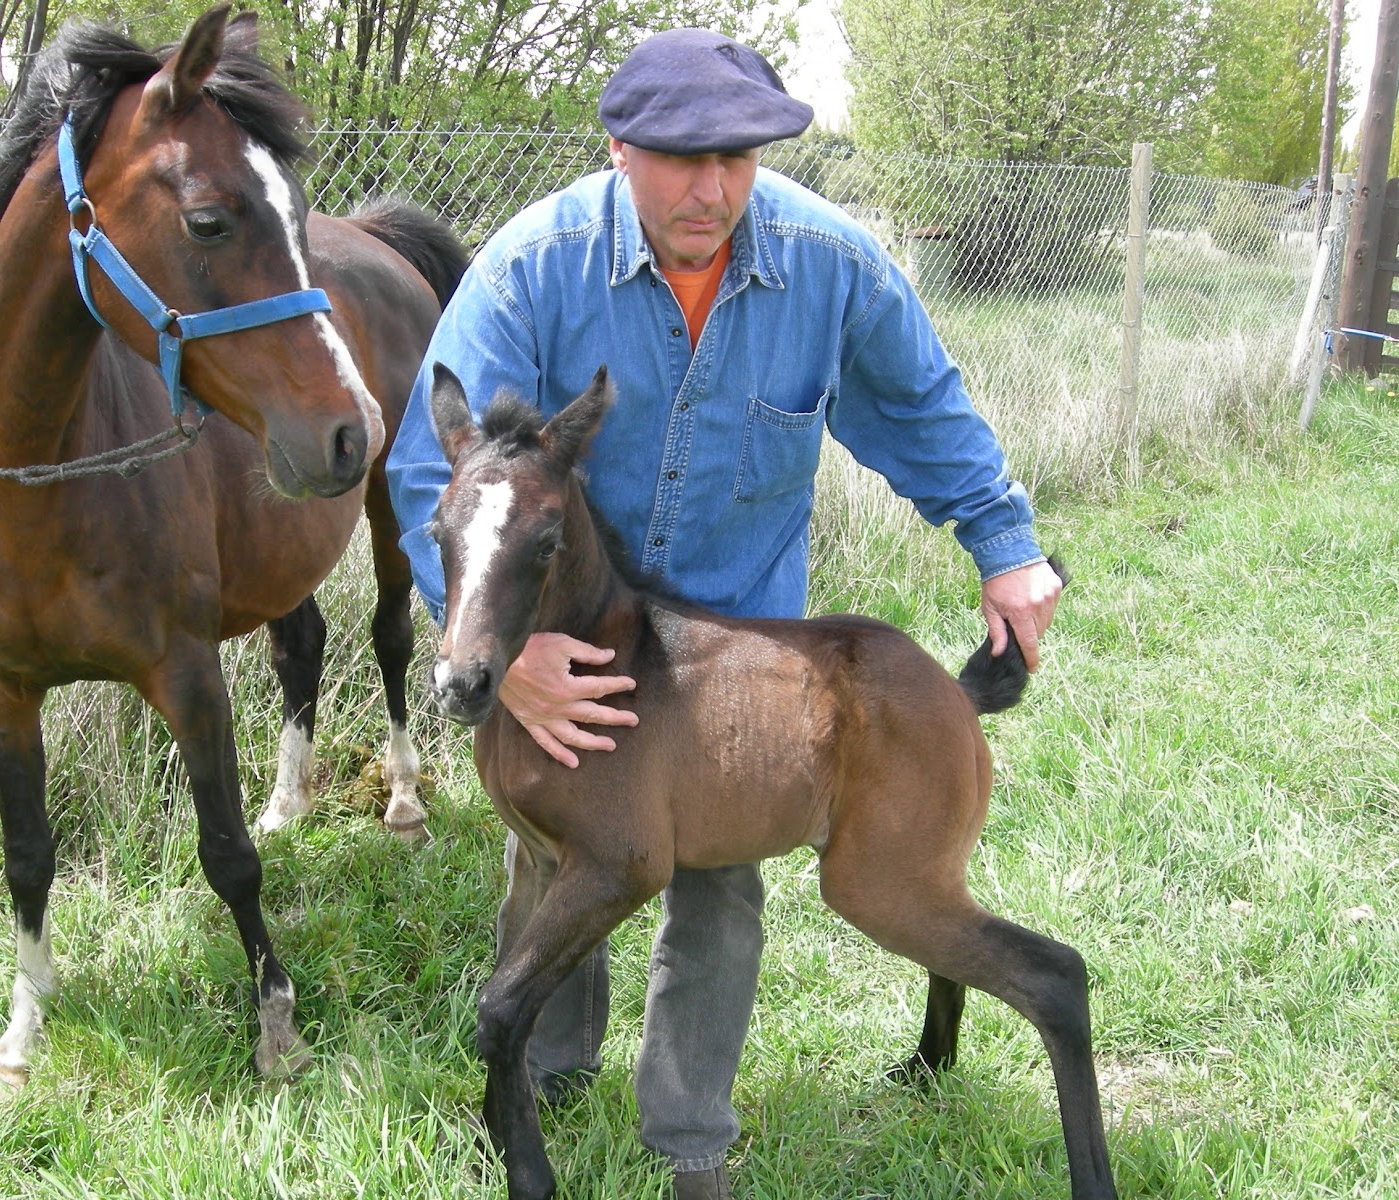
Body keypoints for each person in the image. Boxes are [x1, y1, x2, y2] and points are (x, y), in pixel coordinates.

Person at [386, 27, 1063, 1200]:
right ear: (618, 149)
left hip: (738, 622)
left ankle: (688, 1136)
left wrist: (1003, 545)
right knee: (557, 839)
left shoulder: (827, 262)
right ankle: (543, 1072)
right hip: (576, 622)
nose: (711, 190)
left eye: (736, 158)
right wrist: (502, 645)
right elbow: (427, 473)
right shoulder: (532, 268)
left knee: (720, 874)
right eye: (679, 159)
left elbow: (918, 403)